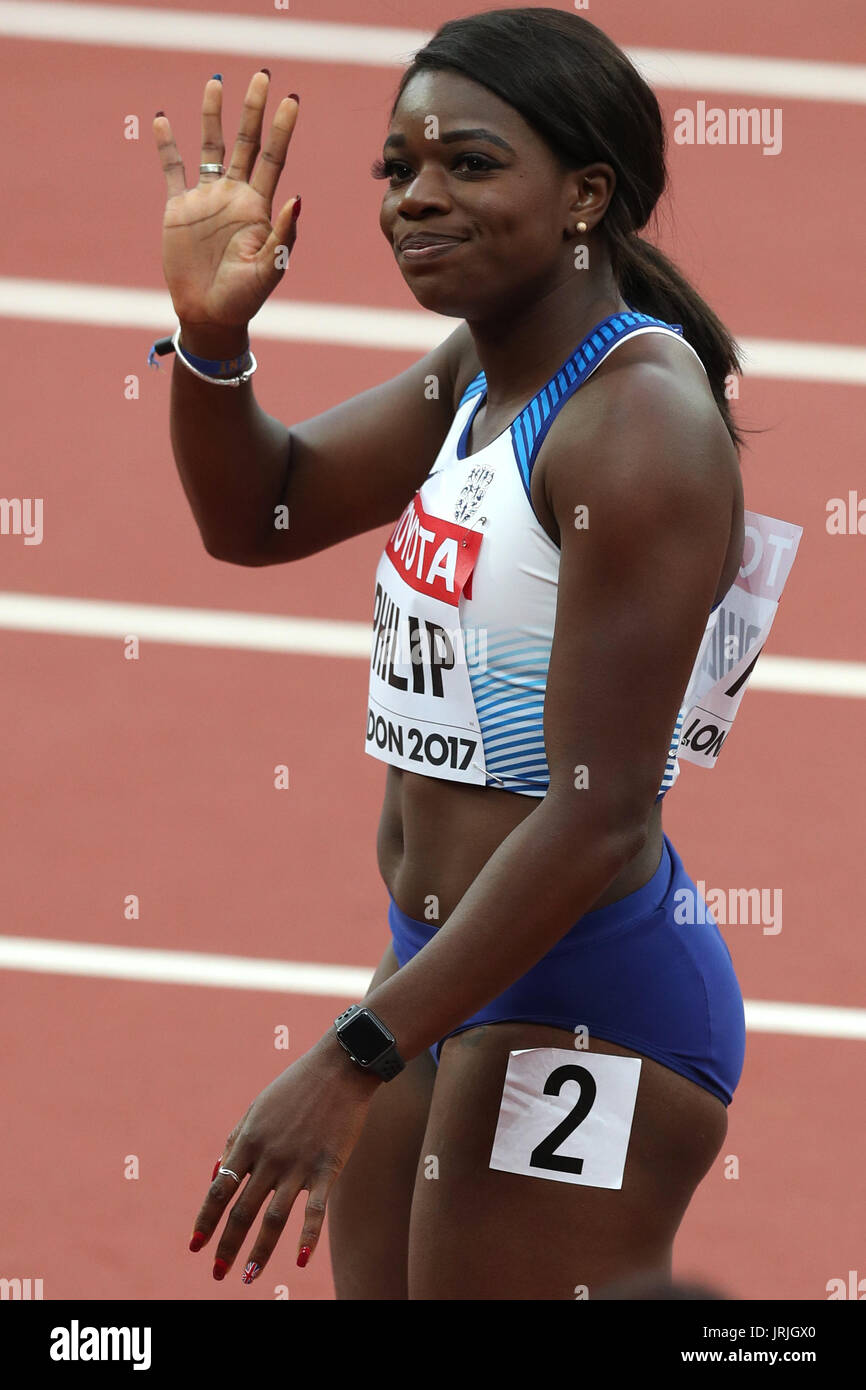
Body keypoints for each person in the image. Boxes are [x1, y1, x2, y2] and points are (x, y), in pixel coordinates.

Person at [153, 8, 748, 1301]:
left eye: (468, 164)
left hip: (585, 995)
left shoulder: (634, 423)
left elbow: (597, 815)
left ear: (585, 192)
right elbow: (261, 513)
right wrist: (210, 345)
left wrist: (352, 1051)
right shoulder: (478, 380)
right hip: (437, 967)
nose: (417, 198)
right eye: (397, 169)